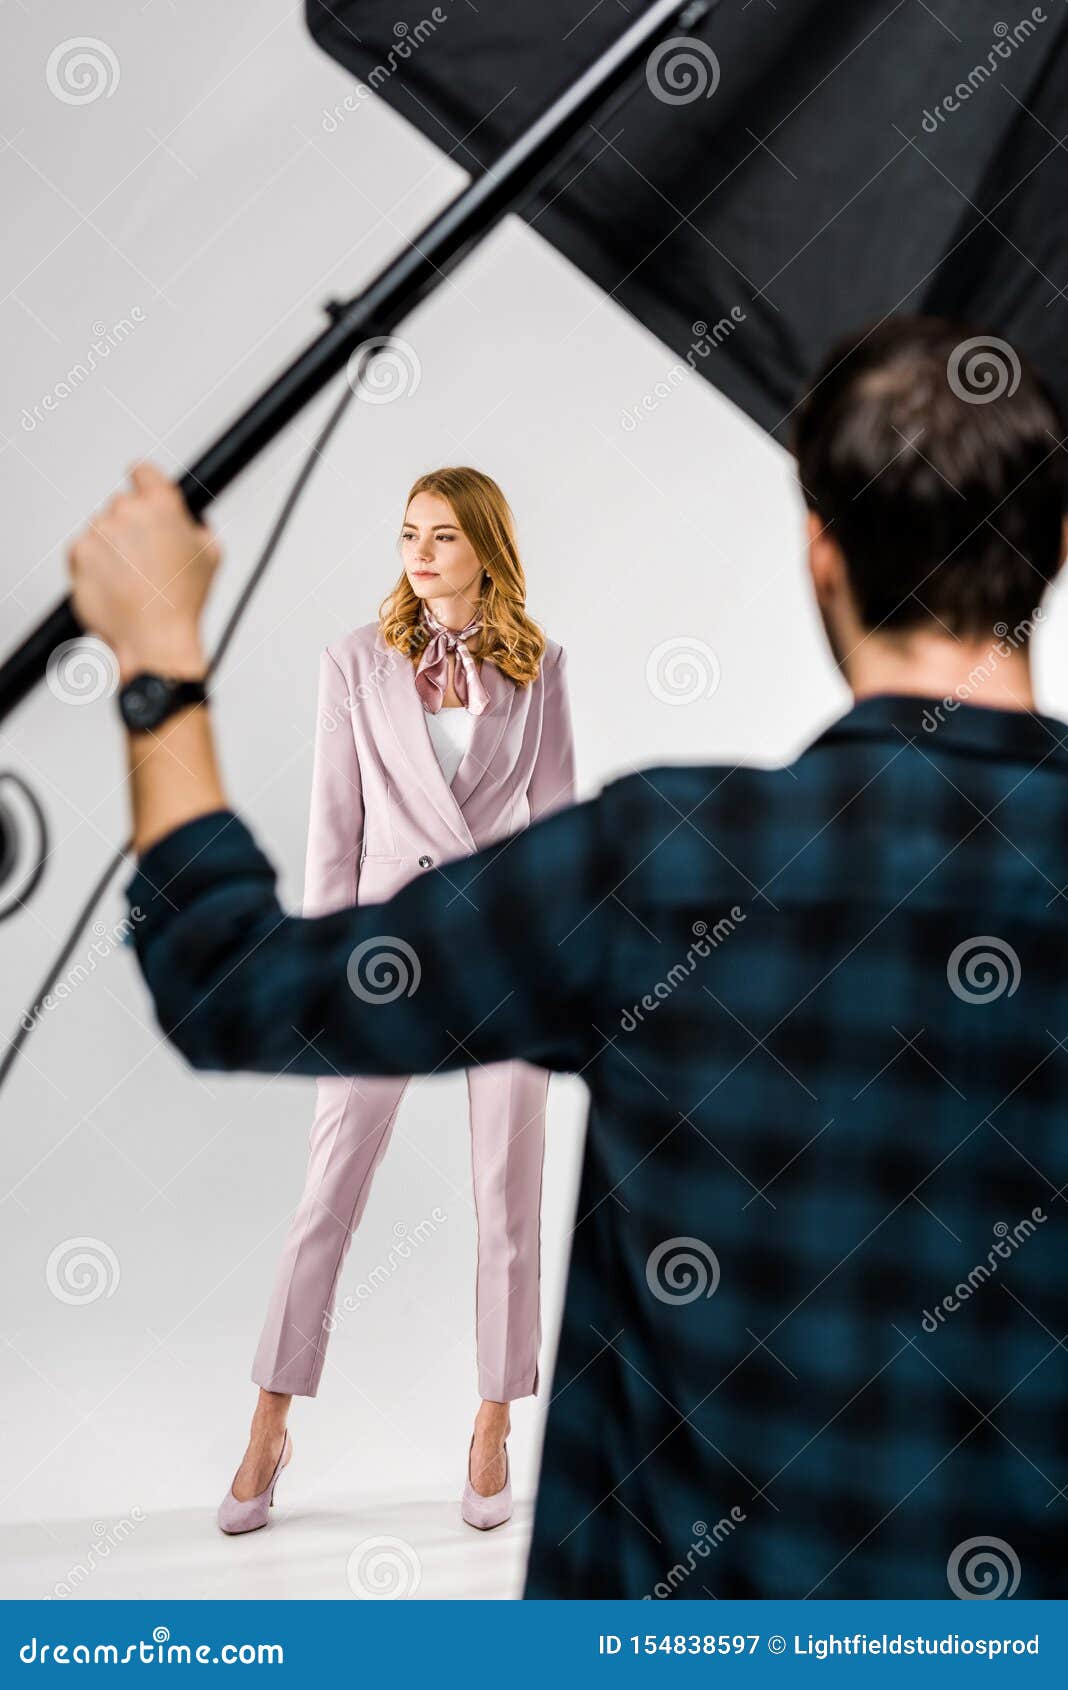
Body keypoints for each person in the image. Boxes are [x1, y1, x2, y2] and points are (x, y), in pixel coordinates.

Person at [69, 316, 1068, 1598]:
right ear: (1053, 544)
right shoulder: (613, 835)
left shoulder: (664, 862)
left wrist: (158, 663)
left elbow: (225, 978)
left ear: (820, 552)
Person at [218, 468, 575, 1535]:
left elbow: (560, 833)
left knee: (507, 1201)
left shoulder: (542, 667)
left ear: (486, 551)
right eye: (409, 534)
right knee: (327, 1193)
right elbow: (336, 829)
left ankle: (493, 1419)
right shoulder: (354, 663)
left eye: (445, 537)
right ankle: (269, 1419)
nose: (420, 555)